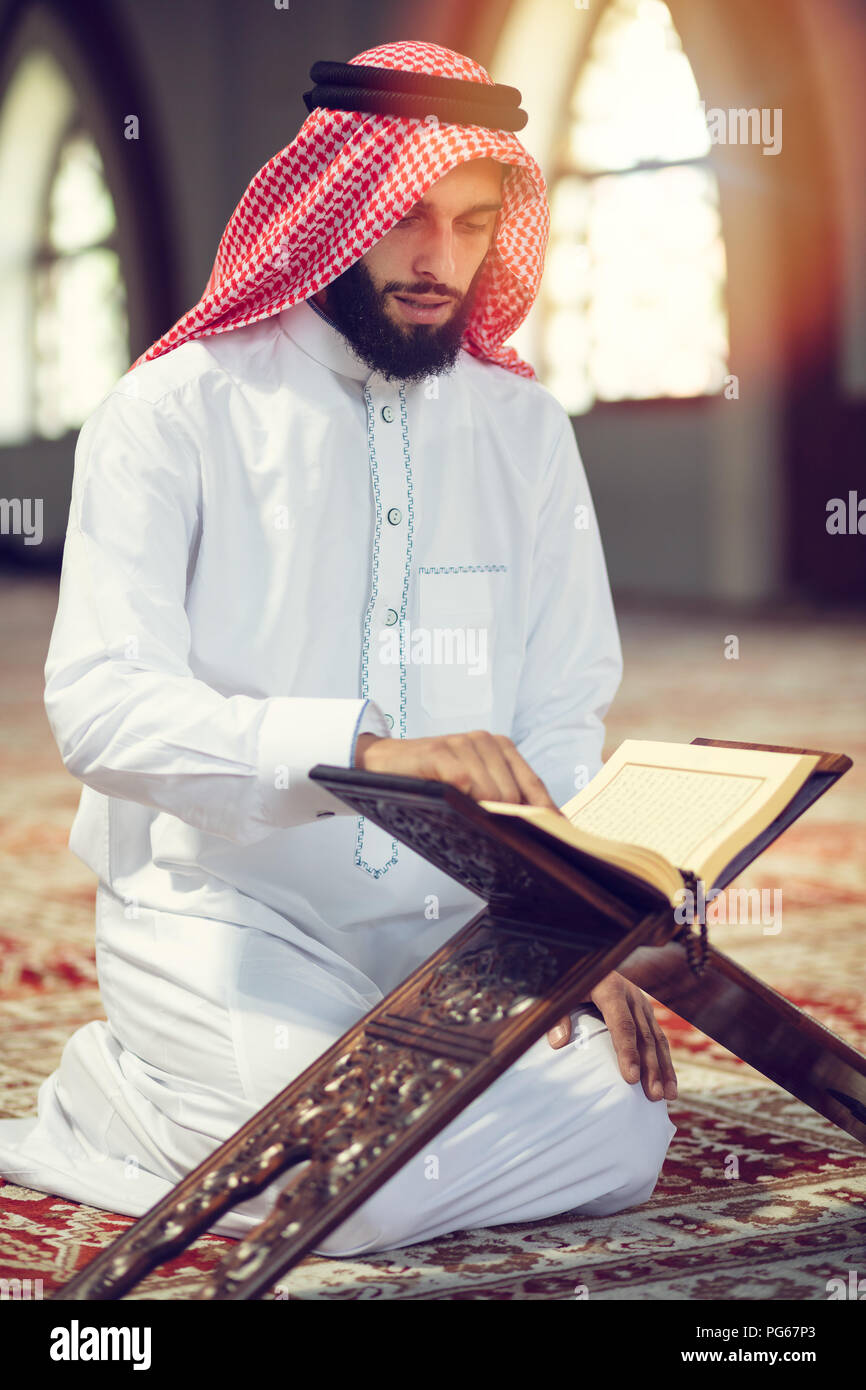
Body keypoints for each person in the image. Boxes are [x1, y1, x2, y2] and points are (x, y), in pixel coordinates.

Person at [0, 40, 677, 1259]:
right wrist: (361, 750)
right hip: (224, 914)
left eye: (474, 226)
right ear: (331, 206)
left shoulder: (521, 428)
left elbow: (564, 703)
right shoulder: (176, 413)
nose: (440, 262)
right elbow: (98, 706)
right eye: (406, 217)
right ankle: (120, 1093)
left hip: (455, 930)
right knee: (368, 1190)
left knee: (630, 1135)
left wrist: (581, 931)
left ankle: (281, 1132)